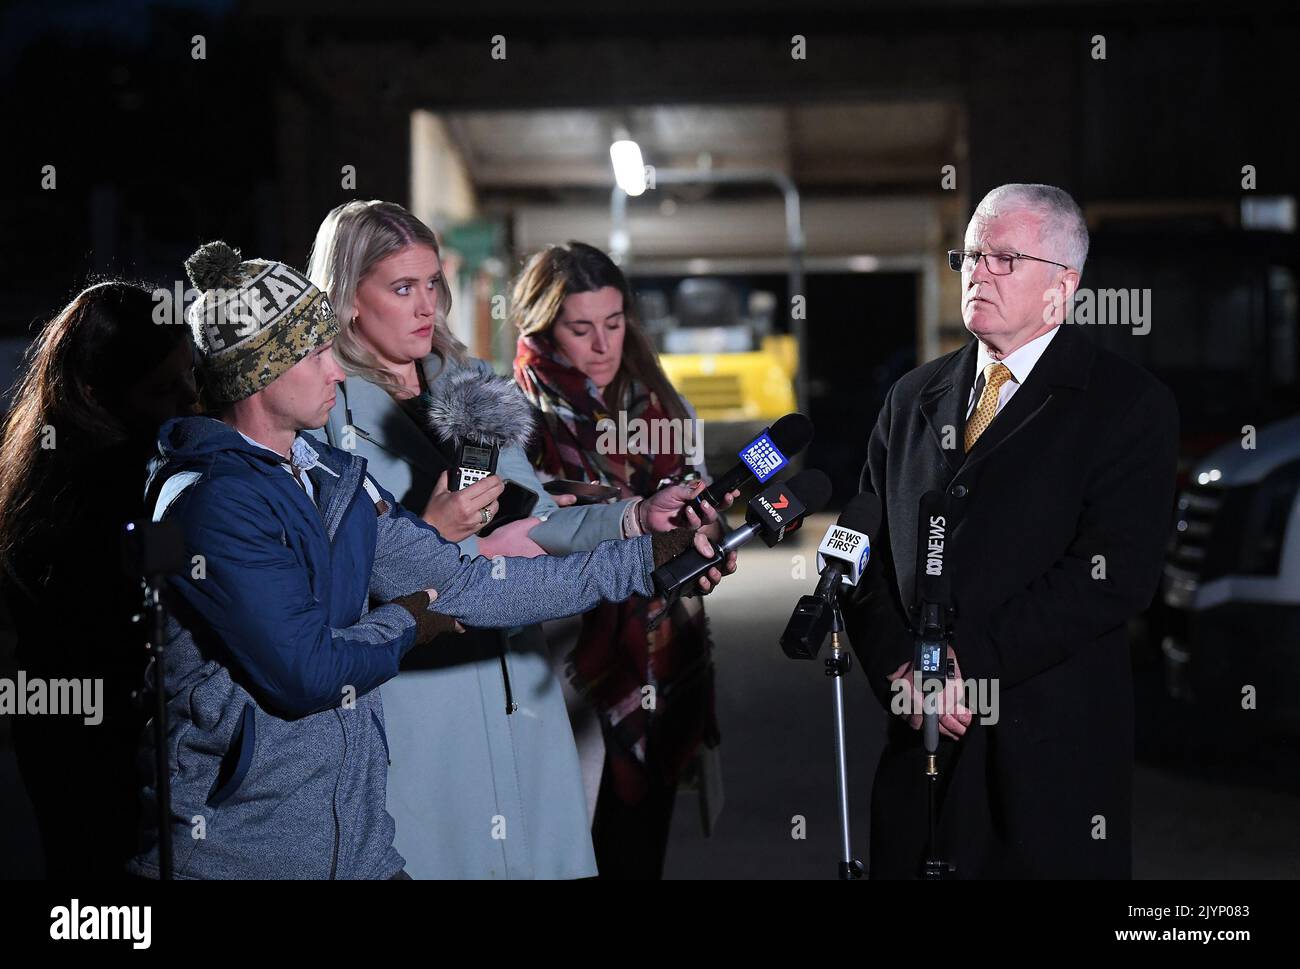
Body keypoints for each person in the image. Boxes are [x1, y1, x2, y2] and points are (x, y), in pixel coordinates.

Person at [127, 240, 722, 880]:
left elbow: (472, 586)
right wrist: (409, 621)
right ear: (259, 374)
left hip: (354, 848)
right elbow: (306, 671)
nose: (336, 372)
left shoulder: (330, 477)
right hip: (241, 856)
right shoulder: (213, 503)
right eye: (315, 355)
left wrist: (647, 558)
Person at [305, 200, 734, 879]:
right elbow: (322, 583)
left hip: (518, 683)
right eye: (402, 287)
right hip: (423, 695)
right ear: (349, 297)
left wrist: (635, 518)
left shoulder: (470, 381)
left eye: (432, 283)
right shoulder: (324, 410)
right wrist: (434, 532)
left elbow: (535, 523)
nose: (426, 305)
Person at [844, 184, 1179, 879]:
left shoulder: (1126, 405)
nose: (978, 273)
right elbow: (861, 549)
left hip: (1046, 753)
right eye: (970, 256)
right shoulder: (911, 398)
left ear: (1064, 285)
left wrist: (965, 665)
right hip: (919, 744)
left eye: (1004, 259)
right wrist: (902, 671)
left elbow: (1112, 576)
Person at [512, 241, 724, 879]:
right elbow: (518, 532)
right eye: (581, 329)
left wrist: (705, 527)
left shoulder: (660, 402)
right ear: (543, 327)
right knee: (574, 840)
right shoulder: (512, 413)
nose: (603, 345)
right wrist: (615, 513)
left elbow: (698, 490)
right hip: (566, 655)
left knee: (641, 841)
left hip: (663, 646)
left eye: (613, 322)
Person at [0, 280, 198, 878]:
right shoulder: (119, 482)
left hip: (61, 728)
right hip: (102, 740)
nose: (190, 399)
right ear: (96, 393)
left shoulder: (40, 464)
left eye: (190, 376)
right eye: (163, 389)